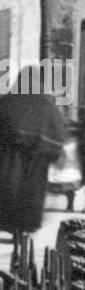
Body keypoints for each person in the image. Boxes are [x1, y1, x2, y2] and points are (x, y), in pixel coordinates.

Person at [0, 69, 66, 234]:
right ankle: (27, 227)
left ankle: (10, 225)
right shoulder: (46, 102)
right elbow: (57, 129)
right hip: (38, 157)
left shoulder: (7, 100)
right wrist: (55, 152)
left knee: (10, 187)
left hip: (10, 156)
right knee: (32, 190)